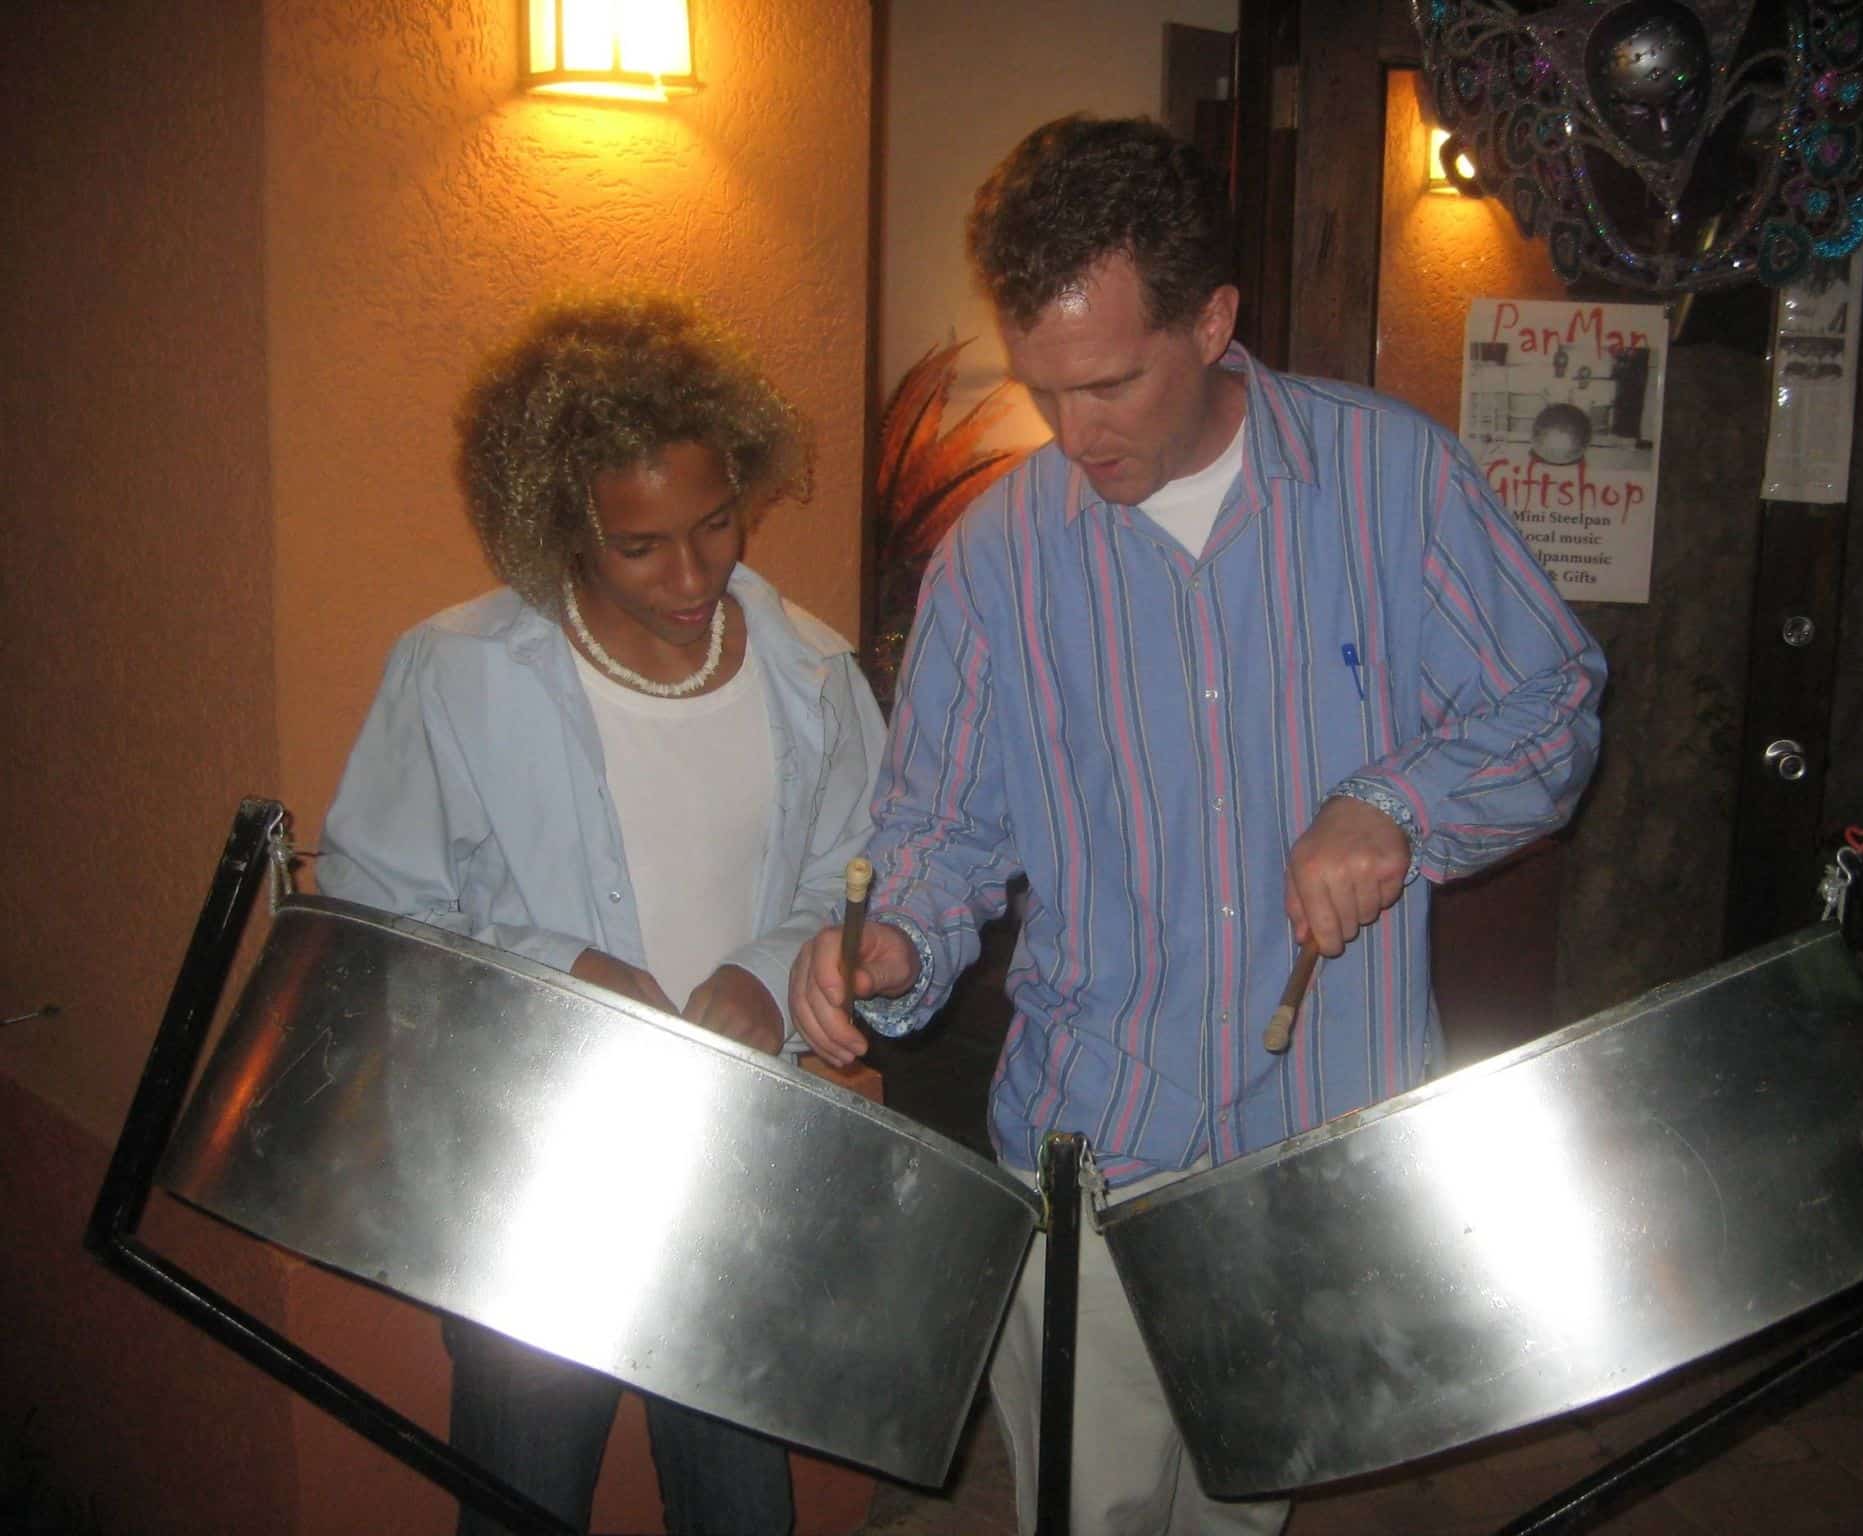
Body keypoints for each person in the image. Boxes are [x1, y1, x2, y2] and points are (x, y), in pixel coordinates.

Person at [789, 116, 1605, 1534]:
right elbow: (936, 828)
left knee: (1241, 1511)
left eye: (1109, 383)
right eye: (1046, 391)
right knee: (1087, 1515)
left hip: (1316, 1145)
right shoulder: (1000, 554)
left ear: (1214, 321)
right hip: (1092, 1139)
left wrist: (1395, 805)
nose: (1074, 433)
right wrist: (889, 948)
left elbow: (1555, 709)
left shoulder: (1392, 483)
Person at [319, 291, 886, 1536]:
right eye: (639, 547)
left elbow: (855, 882)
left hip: (734, 1161)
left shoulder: (813, 674)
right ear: (558, 531)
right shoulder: (457, 676)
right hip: (529, 1168)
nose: (692, 574)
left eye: (715, 522)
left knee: (744, 1513)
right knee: (519, 1497)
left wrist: (766, 965)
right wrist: (555, 961)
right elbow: (367, 917)